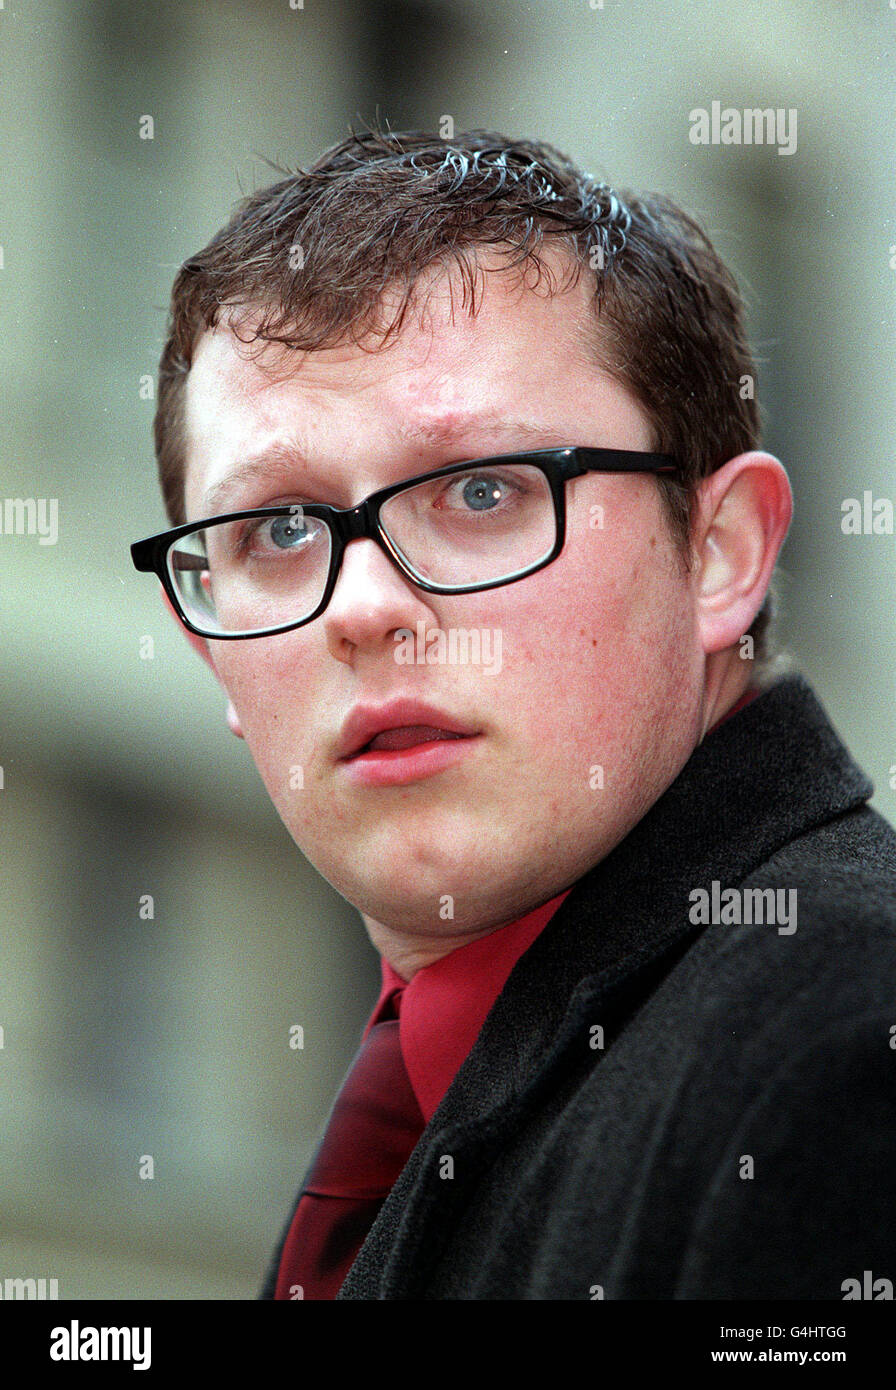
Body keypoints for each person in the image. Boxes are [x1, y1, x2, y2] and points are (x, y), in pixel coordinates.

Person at [130, 126, 896, 1300]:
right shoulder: (462, 1081)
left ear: (719, 554)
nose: (364, 607)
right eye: (277, 529)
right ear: (206, 645)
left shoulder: (838, 1050)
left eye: (481, 490)